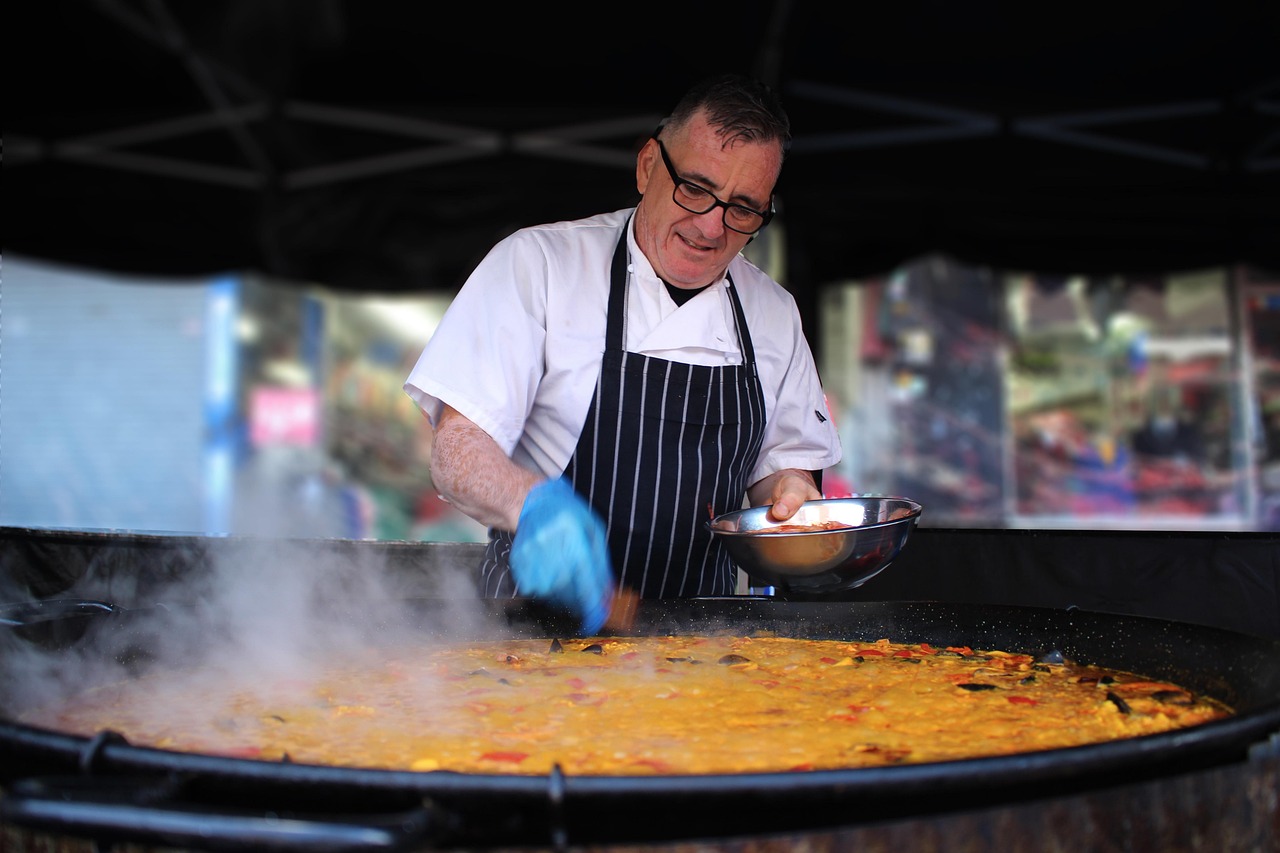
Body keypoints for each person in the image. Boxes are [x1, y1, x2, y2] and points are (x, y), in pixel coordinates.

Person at [404, 74, 841, 632]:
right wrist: (530, 503)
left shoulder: (773, 313)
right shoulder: (540, 265)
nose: (712, 227)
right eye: (696, 189)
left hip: (709, 651)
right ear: (648, 166)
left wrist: (790, 494)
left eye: (743, 209)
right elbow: (457, 449)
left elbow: (782, 467)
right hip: (525, 640)